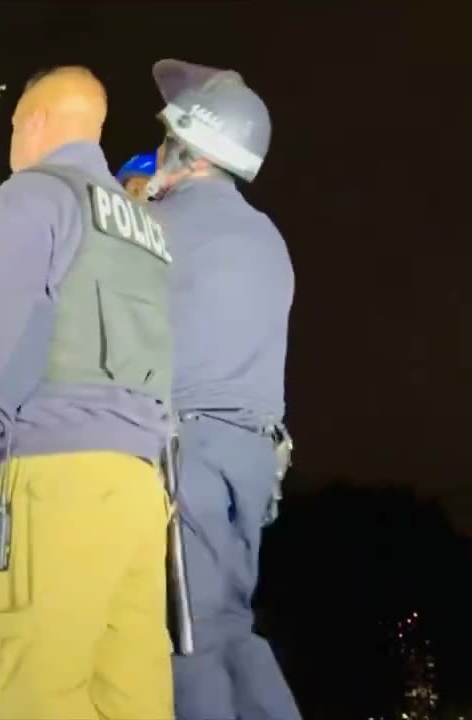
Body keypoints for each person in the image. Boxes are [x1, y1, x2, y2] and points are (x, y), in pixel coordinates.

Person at [0, 66, 176, 720]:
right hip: (140, 493)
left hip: (55, 483)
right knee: (131, 696)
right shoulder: (146, 229)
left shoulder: (33, 196)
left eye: (12, 128)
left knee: (33, 687)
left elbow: (0, 339)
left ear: (34, 122)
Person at [142, 59, 300, 720]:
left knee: (191, 639)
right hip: (254, 457)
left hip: (190, 453)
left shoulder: (160, 230)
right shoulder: (266, 237)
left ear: (188, 152)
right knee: (231, 622)